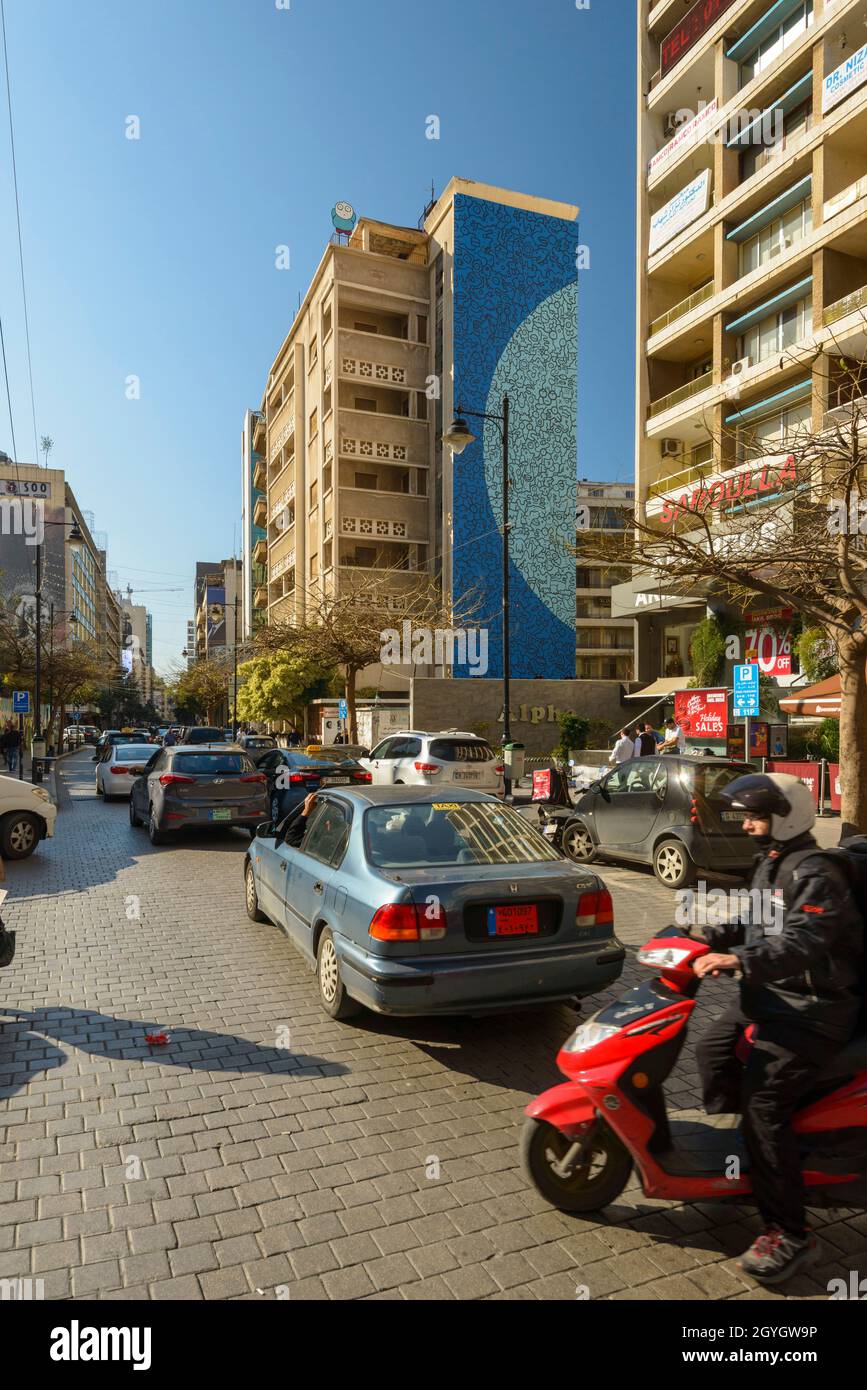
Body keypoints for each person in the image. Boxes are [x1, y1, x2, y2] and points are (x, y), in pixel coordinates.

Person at [694, 772, 864, 1285]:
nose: (746, 824)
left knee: (764, 1106)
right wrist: (705, 931)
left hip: (812, 1009)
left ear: (784, 817)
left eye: (754, 815)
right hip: (774, 997)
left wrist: (739, 961)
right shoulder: (773, 860)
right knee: (711, 1049)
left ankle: (788, 1231)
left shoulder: (816, 873)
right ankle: (750, 1162)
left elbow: (802, 944)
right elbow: (757, 920)